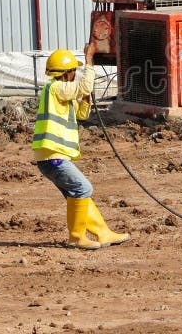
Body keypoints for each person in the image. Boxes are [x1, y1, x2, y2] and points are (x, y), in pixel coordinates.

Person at [32, 45, 130, 250]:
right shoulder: (54, 88)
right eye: (73, 71)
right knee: (82, 188)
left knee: (76, 193)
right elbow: (83, 87)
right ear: (65, 73)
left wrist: (85, 100)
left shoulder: (62, 94)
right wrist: (89, 61)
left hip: (53, 156)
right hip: (52, 156)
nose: (75, 74)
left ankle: (102, 232)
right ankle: (76, 237)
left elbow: (81, 115)